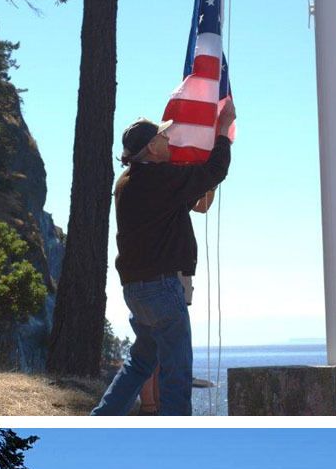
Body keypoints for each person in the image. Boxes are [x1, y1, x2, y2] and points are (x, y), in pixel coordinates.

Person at [91, 98, 235, 416]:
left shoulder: (127, 182)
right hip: (161, 290)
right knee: (177, 372)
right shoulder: (158, 180)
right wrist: (222, 131)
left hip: (137, 291)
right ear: (152, 148)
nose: (168, 139)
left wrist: (199, 177)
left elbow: (189, 202)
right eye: (162, 136)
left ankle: (102, 418)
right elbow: (215, 170)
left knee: (141, 361)